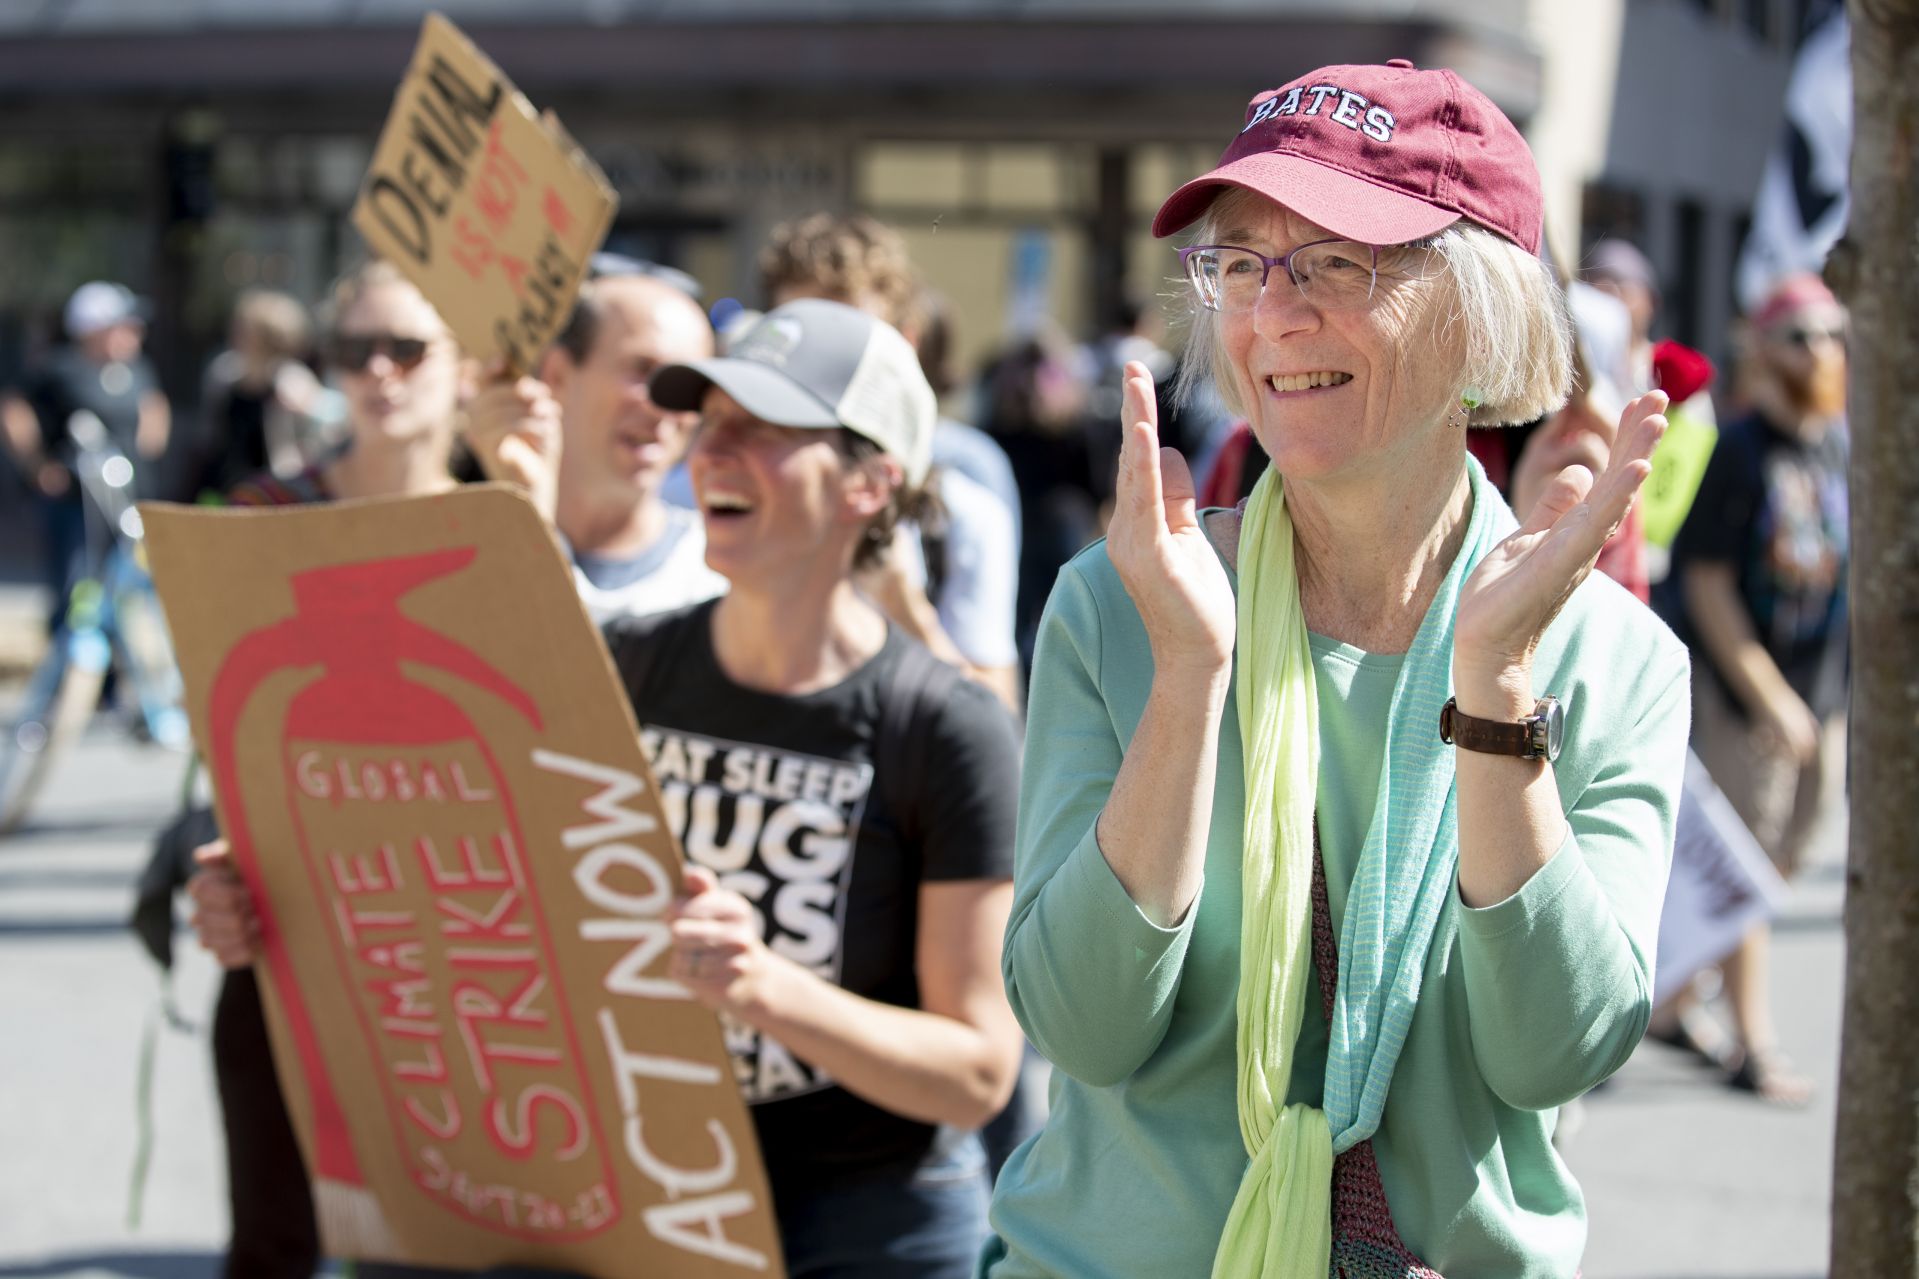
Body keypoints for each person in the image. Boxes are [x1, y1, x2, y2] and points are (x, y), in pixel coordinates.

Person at [983, 59, 1689, 1279]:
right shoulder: (1118, 603)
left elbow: (1554, 1053)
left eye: (1333, 262)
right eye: (1241, 263)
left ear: (1478, 311)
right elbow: (1081, 1029)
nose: (1273, 313)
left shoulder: (1610, 655)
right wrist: (1191, 675)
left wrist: (1495, 691)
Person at [192, 298, 1027, 1279]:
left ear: (868, 483)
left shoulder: (945, 728)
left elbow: (975, 1072)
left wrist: (767, 990)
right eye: (709, 423)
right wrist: (265, 900)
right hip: (644, 1211)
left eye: (761, 430)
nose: (713, 452)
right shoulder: (618, 666)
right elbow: (451, 883)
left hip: (865, 1230)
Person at [187, 258, 467, 1279]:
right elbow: (224, 729)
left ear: (465, 365)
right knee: (274, 1241)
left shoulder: (506, 527)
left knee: (438, 1247)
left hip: (455, 947)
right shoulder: (266, 513)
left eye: (407, 348)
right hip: (287, 924)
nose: (380, 373)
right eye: (356, 351)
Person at [1652, 272, 1848, 1106]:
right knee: (1748, 873)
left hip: (1820, 691)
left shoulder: (1833, 444)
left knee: (1787, 851)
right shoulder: (1739, 451)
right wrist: (1765, 694)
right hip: (1743, 700)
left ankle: (1671, 1000)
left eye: (1831, 333)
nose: (1820, 350)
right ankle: (1753, 1039)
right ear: (1762, 349)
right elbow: (1705, 583)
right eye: (1799, 334)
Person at [757, 212, 1023, 712]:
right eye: (801, 337)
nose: (819, 369)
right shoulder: (716, 486)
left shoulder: (962, 501)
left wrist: (904, 607)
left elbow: (998, 723)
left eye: (846, 340)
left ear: (907, 341)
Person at [466, 257, 727, 623]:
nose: (666, 409)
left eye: (688, 387)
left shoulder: (722, 581)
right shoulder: (463, 560)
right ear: (557, 375)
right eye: (644, 371)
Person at [2, 280, 171, 632]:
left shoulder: (136, 369)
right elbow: (16, 412)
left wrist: (148, 446)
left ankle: (109, 677)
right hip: (77, 503)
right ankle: (70, 663)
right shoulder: (58, 369)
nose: (133, 333)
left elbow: (154, 406)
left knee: (126, 590)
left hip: (126, 503)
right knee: (78, 589)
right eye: (123, 325)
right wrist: (37, 466)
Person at [192, 288, 337, 498]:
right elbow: (210, 435)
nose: (236, 335)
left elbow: (332, 423)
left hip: (272, 492)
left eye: (245, 330)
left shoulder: (291, 380)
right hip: (224, 487)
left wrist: (306, 407)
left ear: (268, 336)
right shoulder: (223, 373)